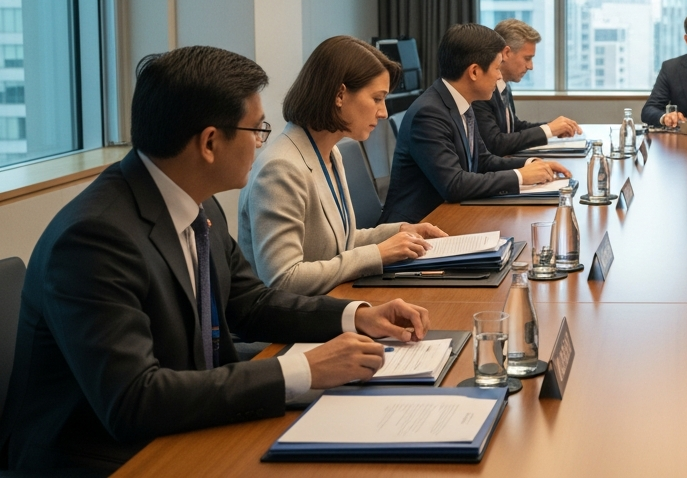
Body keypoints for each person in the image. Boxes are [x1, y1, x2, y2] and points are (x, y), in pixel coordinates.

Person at [0, 46, 431, 474]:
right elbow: (133, 400)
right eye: (256, 129)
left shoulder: (200, 204)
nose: (263, 143)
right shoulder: (94, 238)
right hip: (100, 455)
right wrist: (301, 369)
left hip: (187, 419)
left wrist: (358, 316)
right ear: (209, 142)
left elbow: (251, 304)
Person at [238, 36, 448, 296]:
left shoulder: (331, 152)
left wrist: (400, 231)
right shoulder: (281, 168)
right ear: (340, 95)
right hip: (285, 328)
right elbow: (284, 280)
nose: (383, 112)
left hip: (327, 303)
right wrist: (377, 254)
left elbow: (338, 243)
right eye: (377, 98)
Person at [380, 23, 571, 224]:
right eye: (497, 68)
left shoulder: (461, 102)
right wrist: (520, 177)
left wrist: (530, 164)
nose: (499, 76)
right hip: (415, 227)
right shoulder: (429, 113)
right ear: (474, 72)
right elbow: (454, 184)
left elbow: (483, 160)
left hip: (446, 216)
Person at [474, 19, 580, 156]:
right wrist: (549, 129)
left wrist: (553, 128)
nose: (531, 66)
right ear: (506, 53)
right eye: (527, 58)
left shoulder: (504, 86)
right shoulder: (482, 90)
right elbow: (494, 143)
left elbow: (514, 128)